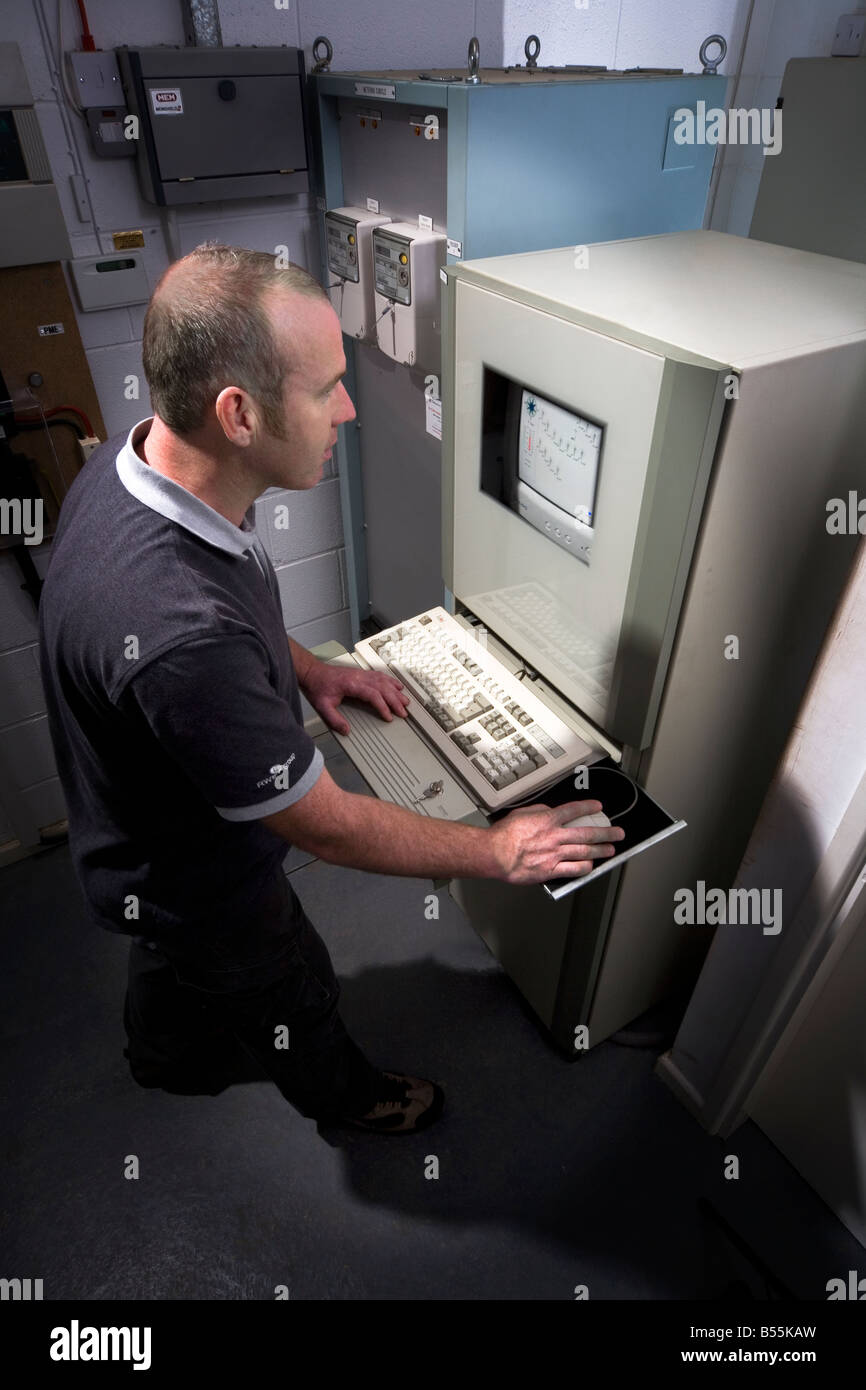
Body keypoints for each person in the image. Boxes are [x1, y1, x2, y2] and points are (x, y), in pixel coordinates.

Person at [38, 243, 624, 1137]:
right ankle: (351, 1100)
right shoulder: (178, 632)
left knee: (166, 950)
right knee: (291, 985)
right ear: (238, 414)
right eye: (326, 389)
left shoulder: (136, 465)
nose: (347, 410)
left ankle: (161, 1058)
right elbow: (324, 825)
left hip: (136, 857)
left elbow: (221, 604)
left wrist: (307, 667)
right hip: (208, 880)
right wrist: (498, 851)